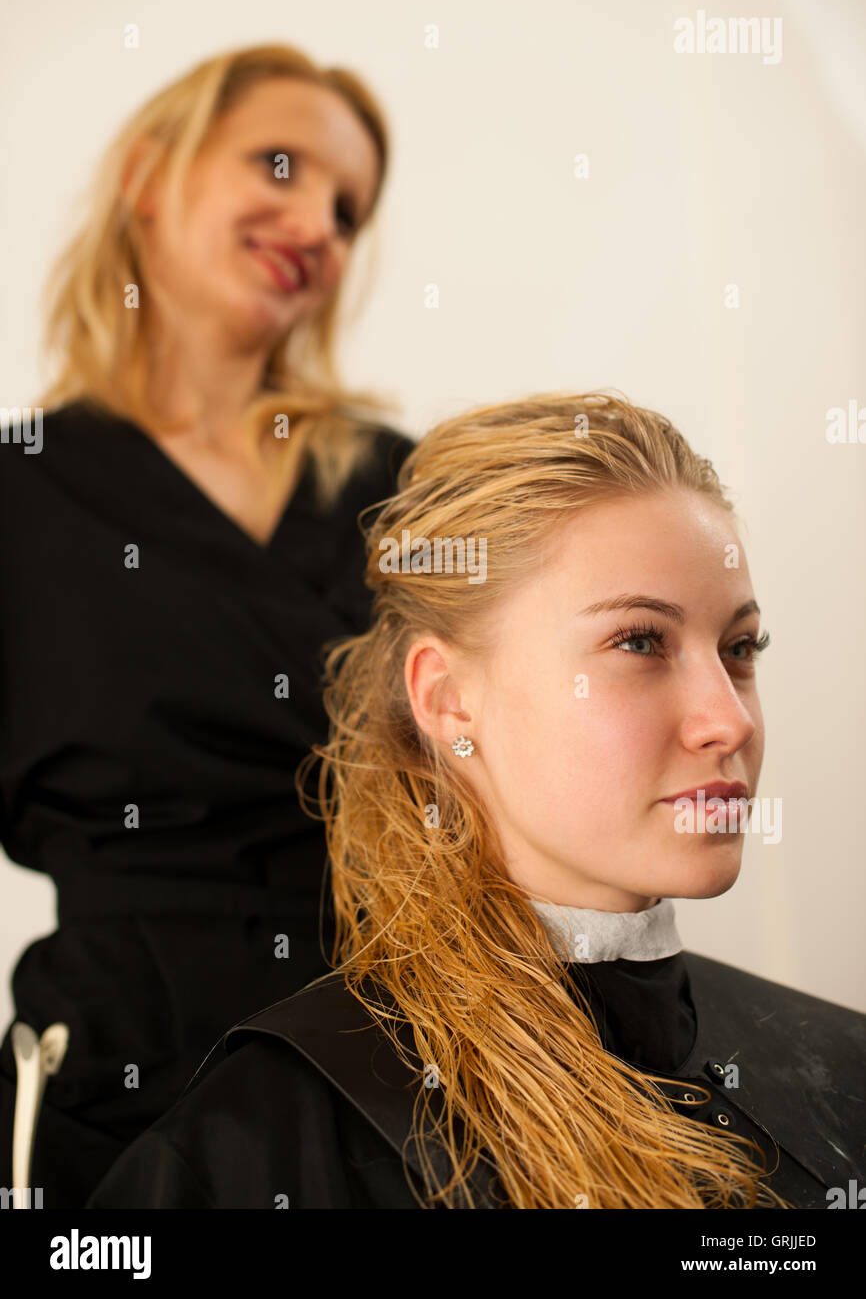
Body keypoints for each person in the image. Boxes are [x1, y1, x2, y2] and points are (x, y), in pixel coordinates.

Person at [86, 391, 866, 1210]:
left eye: (739, 648)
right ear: (450, 697)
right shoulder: (265, 1146)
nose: (728, 719)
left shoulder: (840, 1066)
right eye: (639, 642)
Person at [0, 42, 414, 1208]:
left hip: (392, 1060)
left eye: (347, 209)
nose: (318, 224)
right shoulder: (20, 491)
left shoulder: (400, 487)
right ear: (146, 177)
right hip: (119, 1092)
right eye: (278, 166)